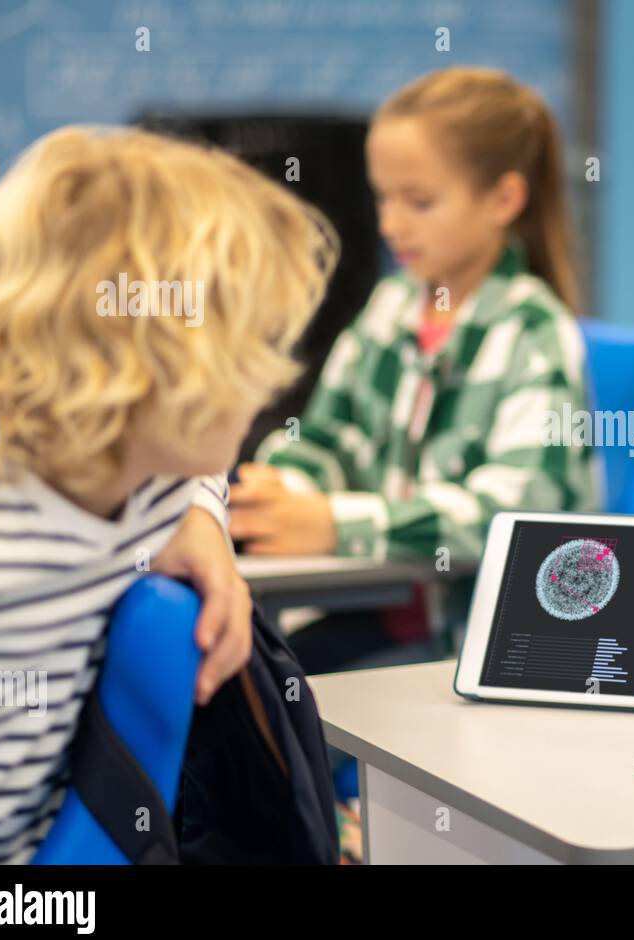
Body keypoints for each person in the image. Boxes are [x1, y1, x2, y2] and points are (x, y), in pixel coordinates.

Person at [0, 126, 337, 863]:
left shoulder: (145, 481)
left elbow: (198, 472)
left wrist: (203, 519)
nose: (276, 378)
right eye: (253, 347)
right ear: (147, 368)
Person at [230, 67, 599, 673]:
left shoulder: (534, 333)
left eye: (419, 201)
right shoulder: (390, 308)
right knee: (243, 679)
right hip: (374, 613)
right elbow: (327, 440)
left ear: (504, 199)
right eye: (382, 197)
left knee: (269, 695)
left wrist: (334, 525)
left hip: (470, 643)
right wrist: (280, 491)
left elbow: (512, 519)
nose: (390, 224)